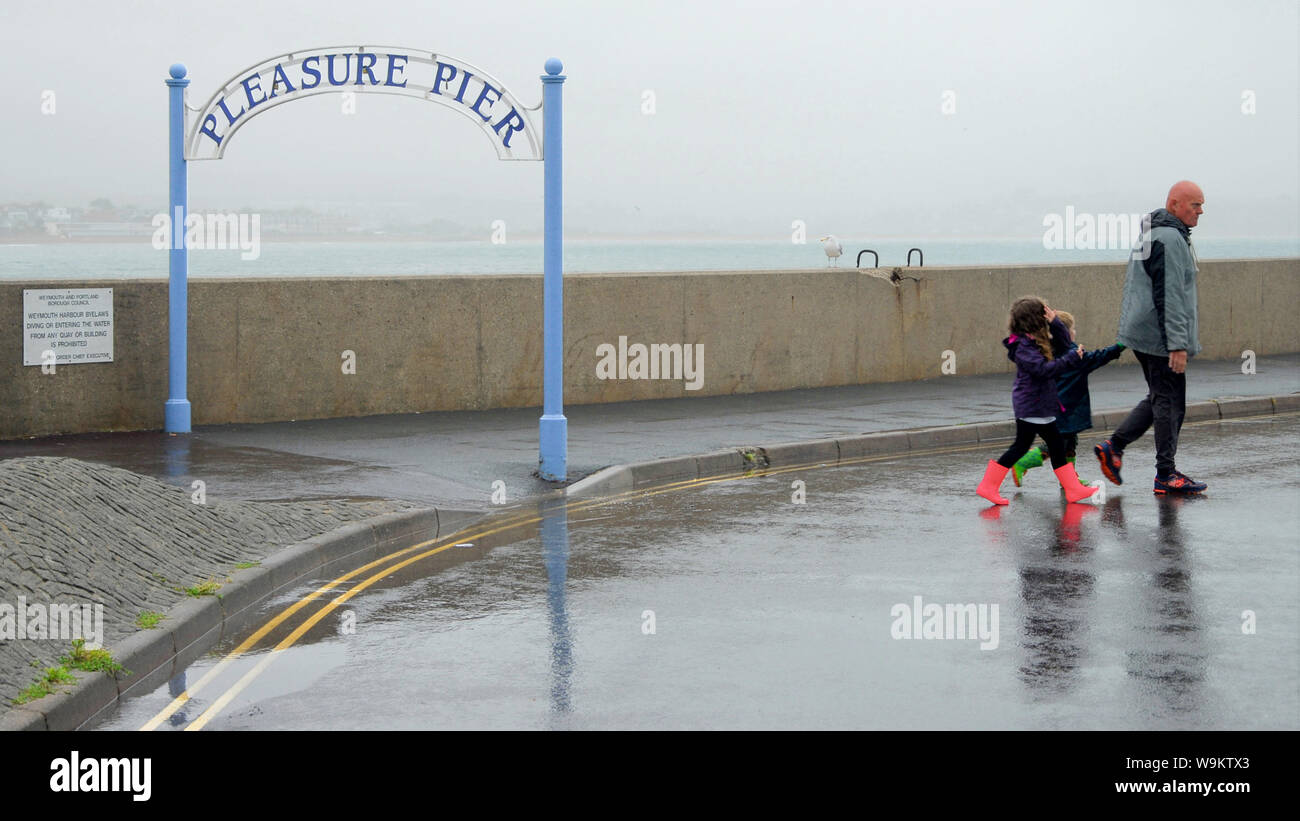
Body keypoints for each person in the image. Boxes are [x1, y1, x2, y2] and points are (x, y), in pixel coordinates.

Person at [1094, 181, 1207, 495]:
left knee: (1161, 397)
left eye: (1201, 206)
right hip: (1159, 337)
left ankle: (1113, 447)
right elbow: (1168, 294)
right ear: (1174, 204)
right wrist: (1177, 344)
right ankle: (1165, 475)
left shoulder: (1153, 233)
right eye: (1195, 205)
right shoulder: (1169, 238)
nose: (1200, 212)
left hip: (1145, 333)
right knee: (1170, 404)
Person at [976, 296, 1100, 505]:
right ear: (1035, 321)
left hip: (1040, 405)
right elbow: (1043, 371)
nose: (1047, 320)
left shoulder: (1034, 342)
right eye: (1044, 316)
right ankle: (988, 486)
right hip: (1032, 406)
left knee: (1056, 445)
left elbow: (1064, 343)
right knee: (1022, 447)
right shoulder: (1024, 347)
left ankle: (1072, 489)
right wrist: (1071, 359)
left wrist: (1056, 322)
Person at [1012, 310, 1125, 486]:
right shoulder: (1075, 356)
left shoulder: (1048, 352)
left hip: (1055, 408)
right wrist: (1120, 346)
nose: (1075, 332)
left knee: (1070, 443)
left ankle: (1070, 478)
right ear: (1064, 333)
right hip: (1064, 410)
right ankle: (1022, 461)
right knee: (1057, 445)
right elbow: (1099, 356)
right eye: (1073, 329)